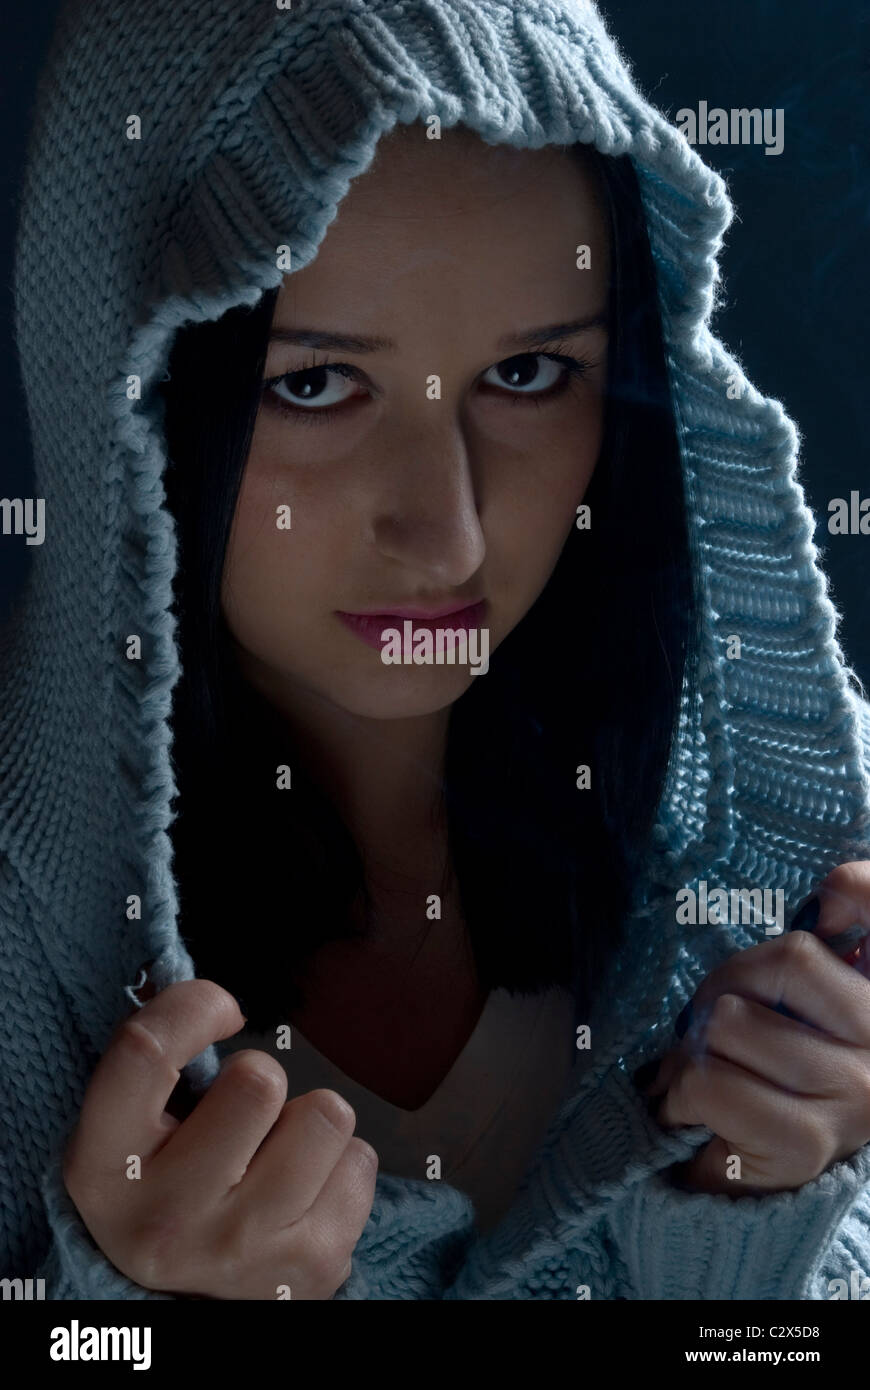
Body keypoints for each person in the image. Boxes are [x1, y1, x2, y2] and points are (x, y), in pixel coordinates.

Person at [3, 0, 870, 1302]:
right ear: (120, 392)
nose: (448, 534)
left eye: (528, 375)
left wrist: (755, 1214)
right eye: (315, 384)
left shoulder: (772, 859)